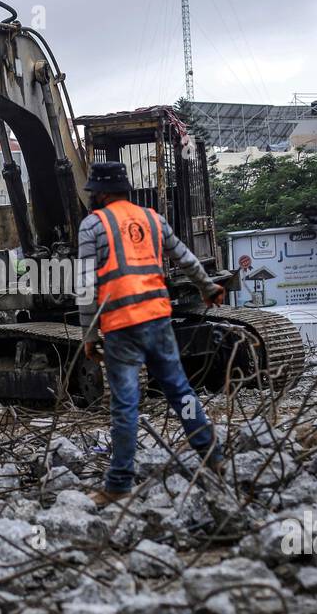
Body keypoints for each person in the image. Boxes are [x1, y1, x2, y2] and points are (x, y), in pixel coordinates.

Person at [78, 160, 227, 507]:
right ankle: (212, 456)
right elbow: (187, 259)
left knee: (126, 405)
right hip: (158, 319)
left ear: (100, 192)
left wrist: (89, 335)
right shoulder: (153, 219)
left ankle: (118, 484)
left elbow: (85, 284)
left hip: (121, 326)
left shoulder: (92, 225)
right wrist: (208, 287)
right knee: (181, 392)